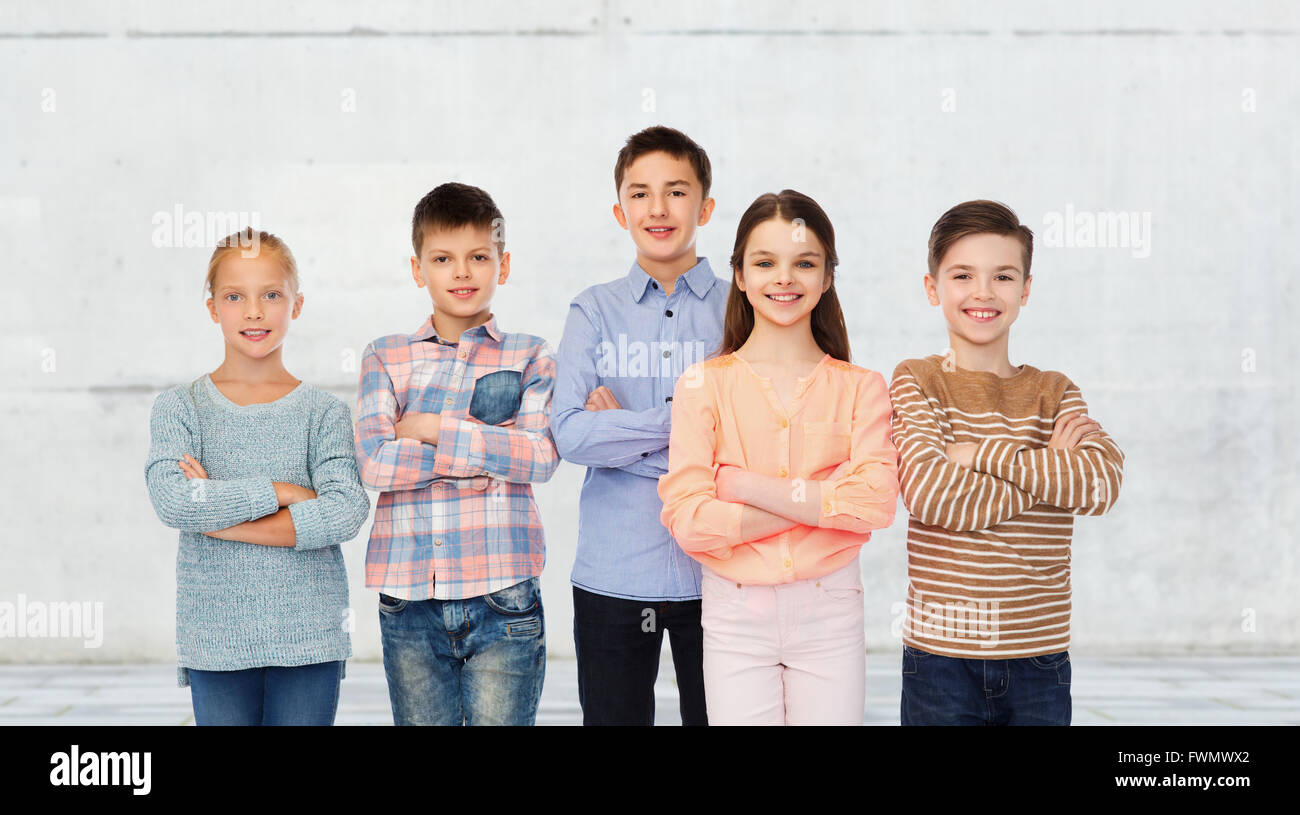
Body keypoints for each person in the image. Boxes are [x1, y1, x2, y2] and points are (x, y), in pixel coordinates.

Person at [658, 189, 899, 725]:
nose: (784, 279)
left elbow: (875, 505)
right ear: (740, 275)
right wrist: (819, 505)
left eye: (804, 263)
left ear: (827, 276)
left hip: (829, 610)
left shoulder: (862, 388)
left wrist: (741, 485)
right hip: (736, 612)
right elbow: (690, 522)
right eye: (765, 263)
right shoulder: (702, 386)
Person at [890, 199, 1126, 726]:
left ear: (1025, 289)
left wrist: (977, 455)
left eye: (1002, 276)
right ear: (933, 288)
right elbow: (931, 494)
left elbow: (1100, 485)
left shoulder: (1053, 391)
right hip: (939, 657)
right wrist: (1048, 466)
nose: (982, 292)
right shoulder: (918, 380)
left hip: (1039, 656)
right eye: (962, 275)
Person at [144, 227, 370, 726]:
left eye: (271, 295)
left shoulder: (323, 413)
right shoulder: (182, 408)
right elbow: (175, 502)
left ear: (297, 303)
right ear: (212, 308)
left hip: (309, 636)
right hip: (215, 638)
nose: (254, 311)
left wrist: (218, 517)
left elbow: (345, 510)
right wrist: (282, 493)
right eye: (235, 296)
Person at [355, 182, 558, 726]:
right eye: (443, 259)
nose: (462, 273)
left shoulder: (530, 354)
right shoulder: (386, 356)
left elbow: (539, 457)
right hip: (409, 600)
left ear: (503, 264)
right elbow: (374, 463)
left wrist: (426, 428)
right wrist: (484, 457)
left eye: (478, 257)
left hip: (504, 595)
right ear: (419, 268)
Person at [550, 125, 726, 725]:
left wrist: (622, 430)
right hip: (614, 575)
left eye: (676, 192)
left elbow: (749, 442)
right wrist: (688, 424)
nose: (658, 208)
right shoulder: (592, 309)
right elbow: (571, 434)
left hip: (720, 575)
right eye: (640, 192)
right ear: (619, 209)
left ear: (704, 205)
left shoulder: (743, 310)